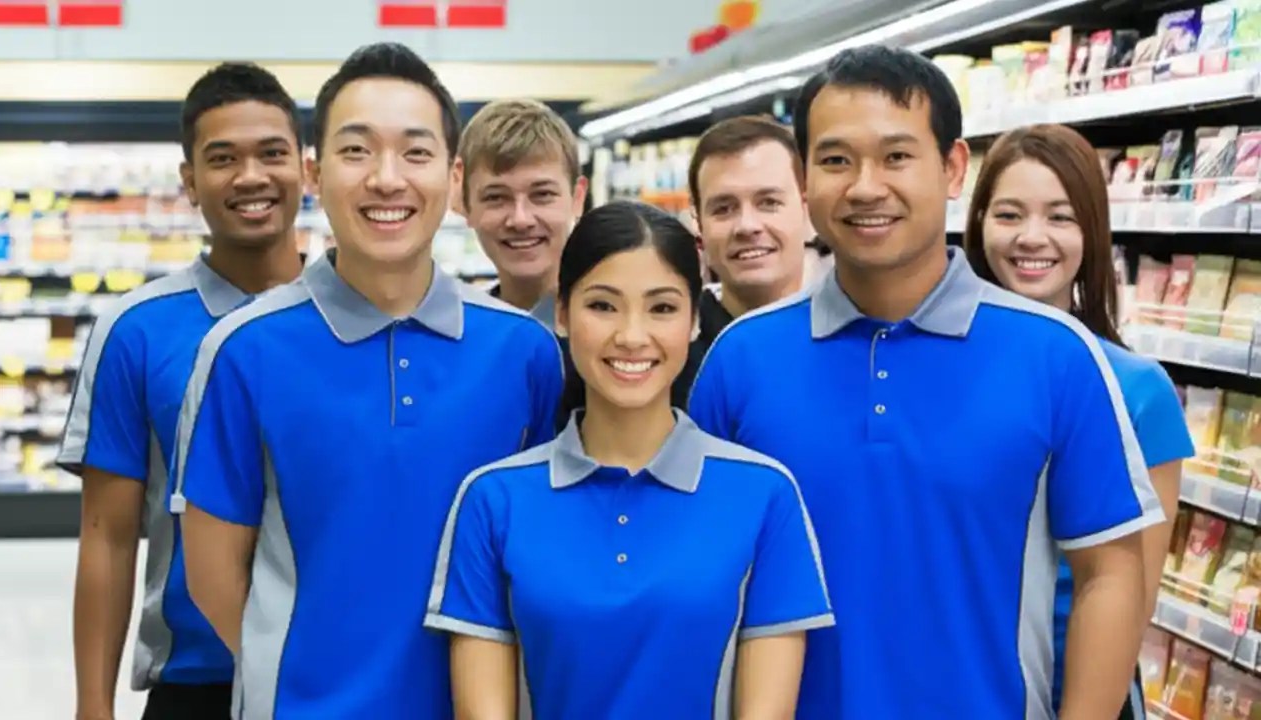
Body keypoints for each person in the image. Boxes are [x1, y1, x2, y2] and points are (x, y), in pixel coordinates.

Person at [688, 44, 1163, 720]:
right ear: (805, 179)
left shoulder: (1055, 356)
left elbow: (1108, 573)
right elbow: (701, 576)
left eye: (896, 156)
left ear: (953, 167)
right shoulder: (740, 360)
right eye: (835, 160)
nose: (865, 187)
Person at [171, 43, 563, 719]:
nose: (387, 179)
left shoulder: (523, 351)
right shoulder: (243, 349)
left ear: (454, 176)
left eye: (415, 152)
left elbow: (543, 554)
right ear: (316, 172)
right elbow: (213, 574)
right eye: (356, 151)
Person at [424, 200, 833, 719]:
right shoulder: (493, 500)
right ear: (563, 313)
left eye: (662, 308)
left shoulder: (764, 494)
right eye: (603, 305)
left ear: (693, 320)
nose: (632, 336)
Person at [55, 63, 305, 720]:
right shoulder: (136, 331)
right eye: (223, 159)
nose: (250, 176)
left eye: (272, 154)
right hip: (197, 683)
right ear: (189, 181)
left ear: (306, 169)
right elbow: (107, 537)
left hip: (338, 675)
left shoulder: (358, 317)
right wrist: (92, 707)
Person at [963, 123, 1193, 720]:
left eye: (1060, 217)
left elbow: (1132, 596)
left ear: (1092, 231)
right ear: (978, 222)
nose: (1032, 237)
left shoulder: (1138, 391)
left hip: (1078, 694)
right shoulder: (936, 372)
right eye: (1009, 215)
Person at [452, 98, 586, 327]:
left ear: (577, 198)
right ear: (465, 205)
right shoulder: (458, 330)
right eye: (496, 197)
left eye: (542, 194)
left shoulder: (614, 332)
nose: (520, 220)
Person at [687, 115, 810, 347]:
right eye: (723, 209)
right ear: (699, 225)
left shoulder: (860, 340)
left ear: (807, 208)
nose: (747, 226)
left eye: (769, 203)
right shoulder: (675, 356)